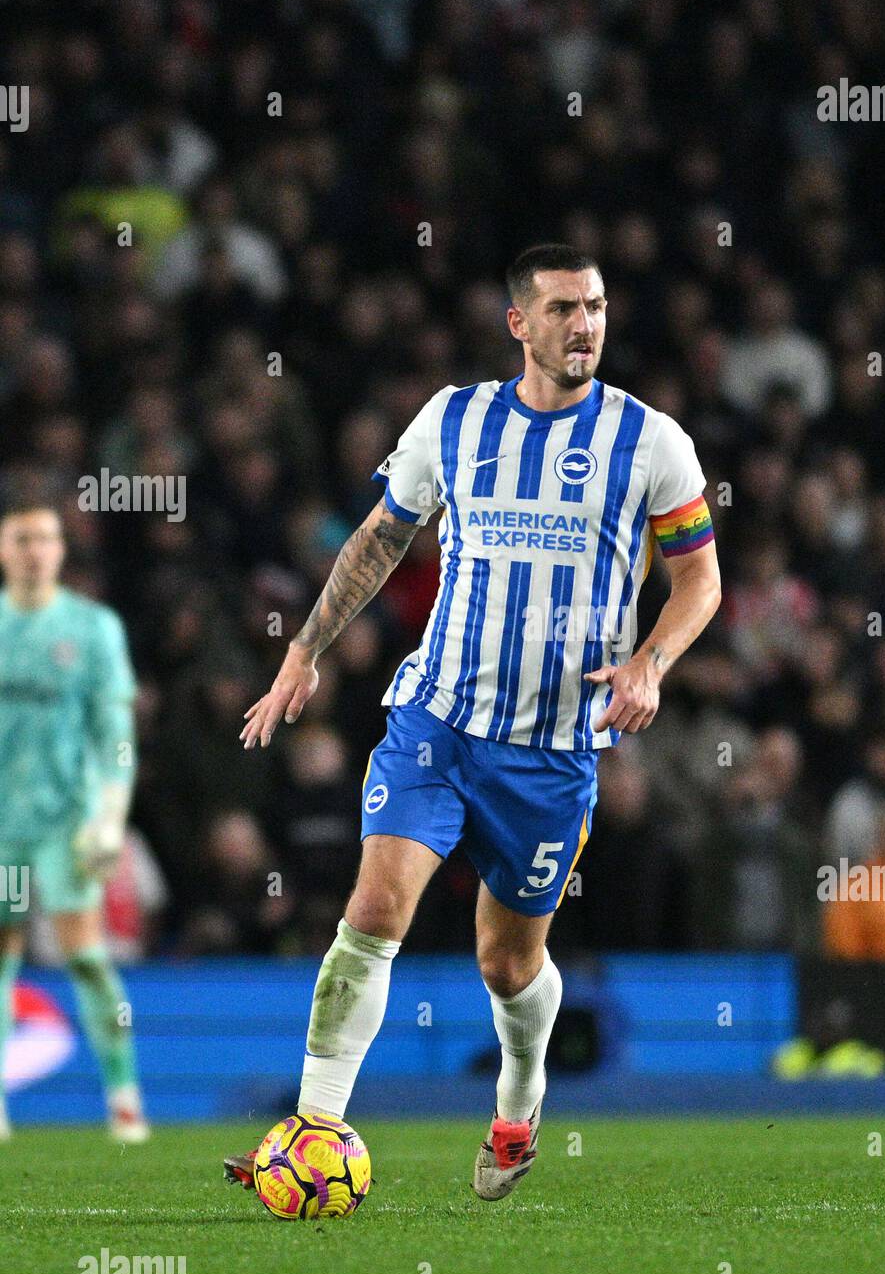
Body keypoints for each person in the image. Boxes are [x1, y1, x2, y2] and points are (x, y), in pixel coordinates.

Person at [225, 244, 721, 1200]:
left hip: (552, 751)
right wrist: (305, 650)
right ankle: (316, 1122)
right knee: (372, 914)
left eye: (598, 306)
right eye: (565, 308)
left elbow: (697, 577)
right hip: (437, 721)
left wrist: (651, 662)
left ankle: (520, 1098)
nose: (586, 324)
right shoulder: (452, 420)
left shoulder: (651, 442)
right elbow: (381, 536)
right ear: (518, 323)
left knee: (506, 965)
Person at [0, 500, 147, 1142]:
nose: (36, 549)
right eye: (23, 538)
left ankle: (123, 1096)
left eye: (48, 539)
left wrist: (110, 817)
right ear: (5, 549)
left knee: (85, 956)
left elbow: (115, 732)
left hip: (65, 820)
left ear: (61, 551)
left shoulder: (91, 629)